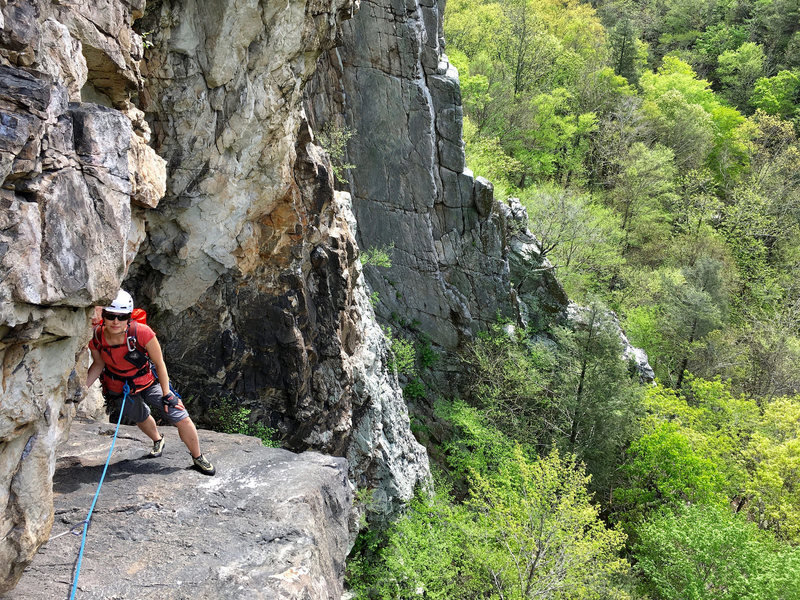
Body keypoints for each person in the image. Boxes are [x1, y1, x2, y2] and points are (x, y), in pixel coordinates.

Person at [86, 290, 215, 476]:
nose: (115, 321)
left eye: (121, 317)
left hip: (148, 380)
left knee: (180, 416)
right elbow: (98, 364)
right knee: (139, 416)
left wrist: (167, 393)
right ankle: (157, 439)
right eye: (111, 316)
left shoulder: (142, 332)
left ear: (128, 318)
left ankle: (198, 457)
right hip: (121, 386)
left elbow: (159, 363)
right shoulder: (97, 337)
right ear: (103, 316)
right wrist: (83, 389)